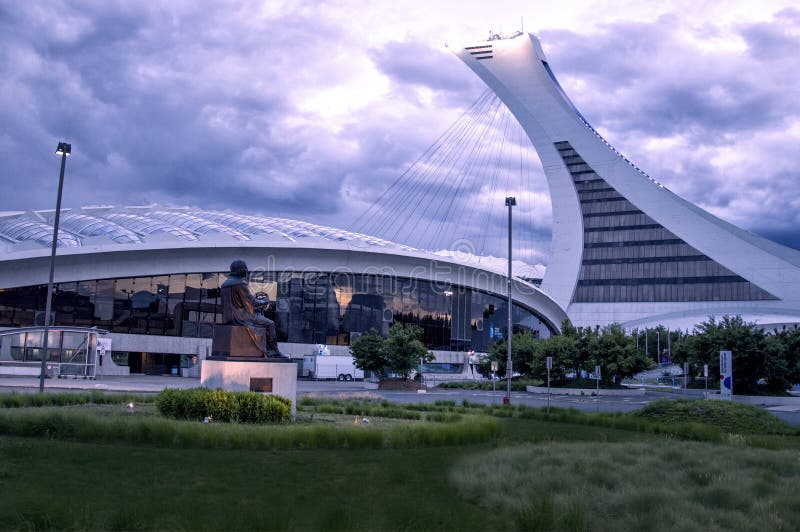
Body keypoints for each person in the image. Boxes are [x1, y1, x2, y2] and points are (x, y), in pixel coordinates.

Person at [219, 260, 287, 358]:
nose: (247, 270)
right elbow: (252, 302)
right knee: (270, 324)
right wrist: (265, 301)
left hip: (229, 318)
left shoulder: (225, 284)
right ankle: (274, 351)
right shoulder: (240, 284)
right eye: (245, 267)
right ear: (240, 269)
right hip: (241, 318)